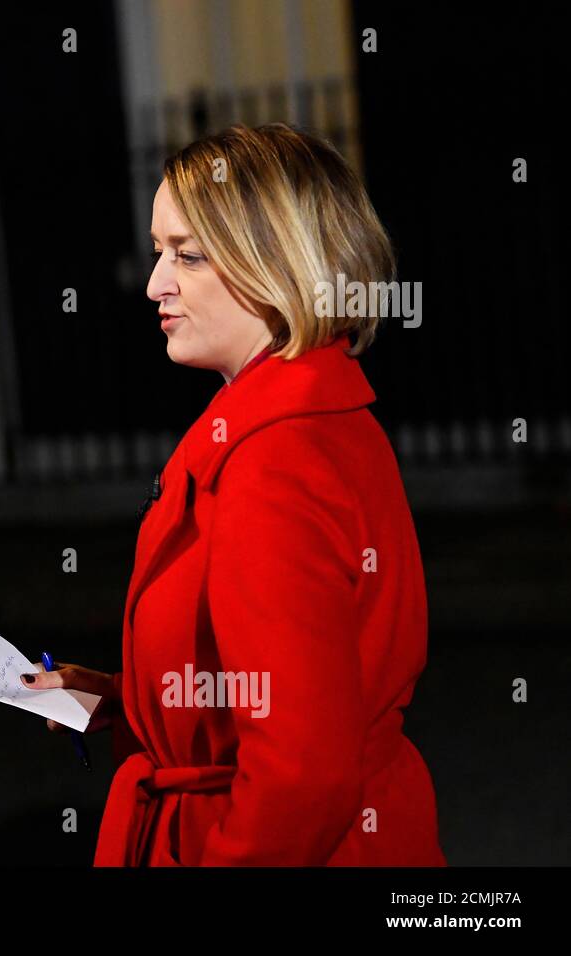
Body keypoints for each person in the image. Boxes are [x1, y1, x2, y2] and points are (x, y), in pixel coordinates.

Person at [22, 123, 446, 866]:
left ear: (275, 265)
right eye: (160, 252)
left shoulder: (272, 462)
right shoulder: (319, 413)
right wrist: (125, 701)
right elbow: (283, 687)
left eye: (187, 255)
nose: (156, 282)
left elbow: (301, 774)